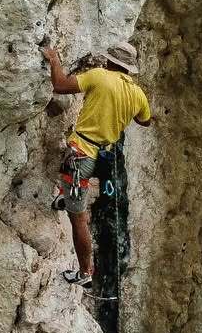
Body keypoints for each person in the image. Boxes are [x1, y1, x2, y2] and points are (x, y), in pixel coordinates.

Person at [41, 41, 152, 287]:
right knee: (75, 187)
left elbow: (59, 85)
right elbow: (145, 121)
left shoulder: (99, 76)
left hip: (81, 154)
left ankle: (84, 273)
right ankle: (65, 196)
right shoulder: (137, 94)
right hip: (104, 156)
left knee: (77, 218)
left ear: (110, 61)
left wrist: (54, 60)